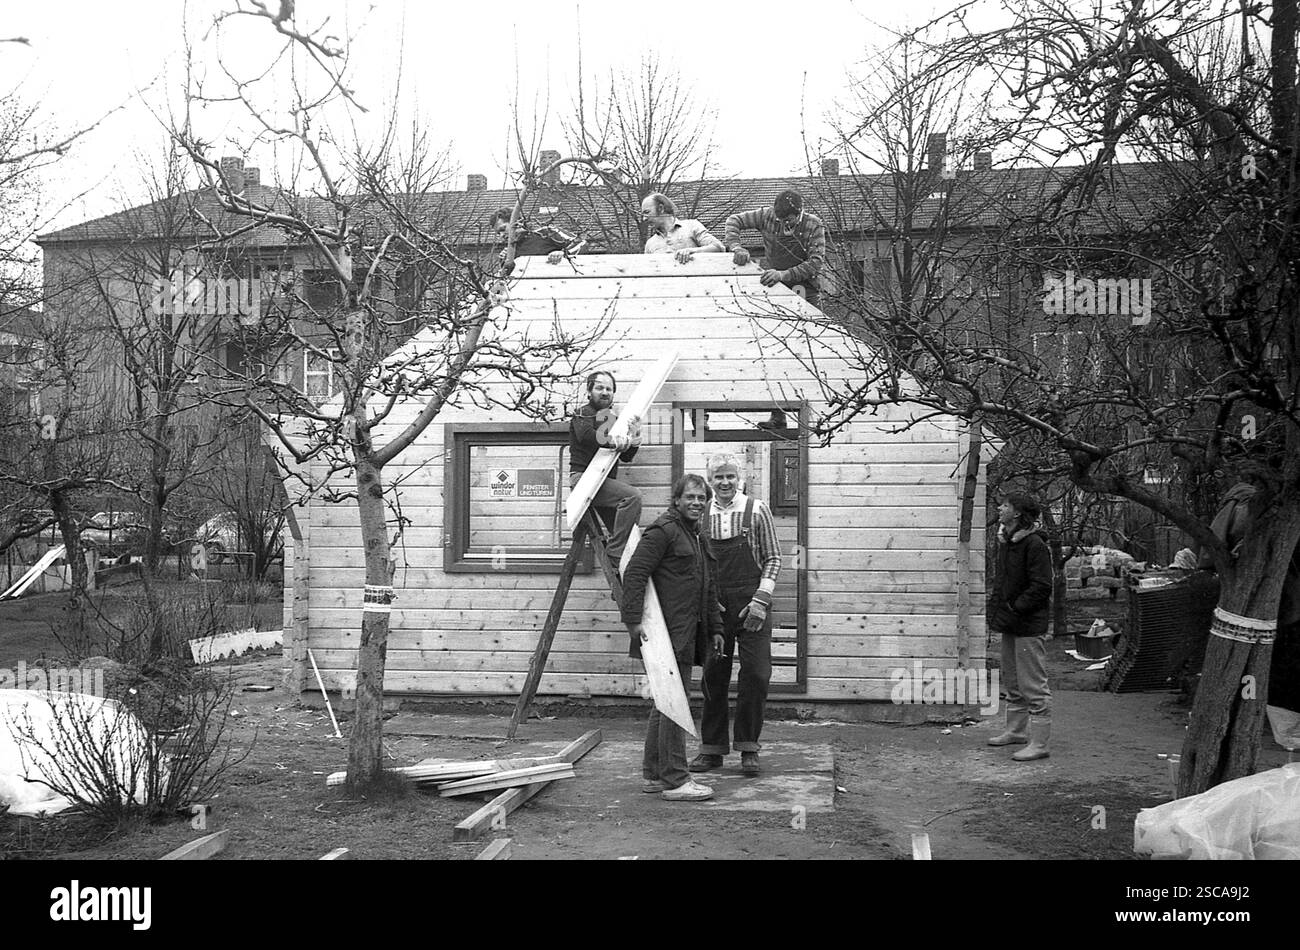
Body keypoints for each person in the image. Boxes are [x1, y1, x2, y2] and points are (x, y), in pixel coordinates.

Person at [620, 474, 723, 801]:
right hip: (666, 635)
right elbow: (635, 573)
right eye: (690, 497)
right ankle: (677, 781)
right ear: (676, 499)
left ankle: (654, 775)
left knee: (666, 704)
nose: (696, 502)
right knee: (674, 705)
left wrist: (717, 628)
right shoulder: (663, 531)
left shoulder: (696, 536)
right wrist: (633, 620)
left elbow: (708, 588)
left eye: (701, 498)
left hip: (689, 633)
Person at [689, 454, 783, 776]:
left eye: (730, 476)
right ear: (710, 480)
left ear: (739, 478)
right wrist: (707, 603)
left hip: (752, 604)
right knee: (714, 675)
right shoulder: (702, 516)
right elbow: (696, 565)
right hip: (716, 608)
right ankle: (712, 749)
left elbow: (773, 558)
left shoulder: (757, 510)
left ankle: (748, 747)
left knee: (757, 674)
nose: (725, 483)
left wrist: (760, 600)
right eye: (718, 478)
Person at [986, 492, 1054, 761]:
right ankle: (1016, 732)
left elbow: (1042, 586)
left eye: (1005, 505)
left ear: (1017, 513)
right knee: (1012, 681)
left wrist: (1016, 607)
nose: (1000, 508)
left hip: (1027, 624)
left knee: (1033, 686)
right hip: (1011, 622)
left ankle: (1040, 744)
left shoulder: (1034, 544)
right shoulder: (1008, 542)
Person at [569, 371, 641, 568]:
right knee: (632, 497)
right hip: (583, 481)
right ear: (589, 391)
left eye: (609, 389)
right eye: (599, 387)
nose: (605, 392)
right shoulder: (581, 414)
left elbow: (625, 456)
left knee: (628, 539)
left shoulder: (613, 420)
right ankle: (615, 555)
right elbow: (586, 436)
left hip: (602, 485)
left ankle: (620, 574)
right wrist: (615, 441)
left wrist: (634, 440)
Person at [724, 190, 827, 306]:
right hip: (775, 286)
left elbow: (816, 263)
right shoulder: (767, 215)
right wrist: (736, 247)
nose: (784, 224)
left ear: (799, 212)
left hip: (805, 287)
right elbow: (733, 220)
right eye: (780, 220)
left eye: (788, 220)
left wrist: (782, 275)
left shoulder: (814, 224)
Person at [489, 208, 586, 274]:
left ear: (517, 223)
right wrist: (505, 262)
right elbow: (506, 280)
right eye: (498, 233)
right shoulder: (509, 251)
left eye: (502, 229)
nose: (501, 235)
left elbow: (581, 243)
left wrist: (563, 253)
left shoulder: (546, 232)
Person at [641, 192, 725, 263]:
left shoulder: (691, 226)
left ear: (661, 208)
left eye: (647, 212)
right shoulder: (650, 244)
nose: (644, 218)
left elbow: (718, 247)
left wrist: (691, 251)